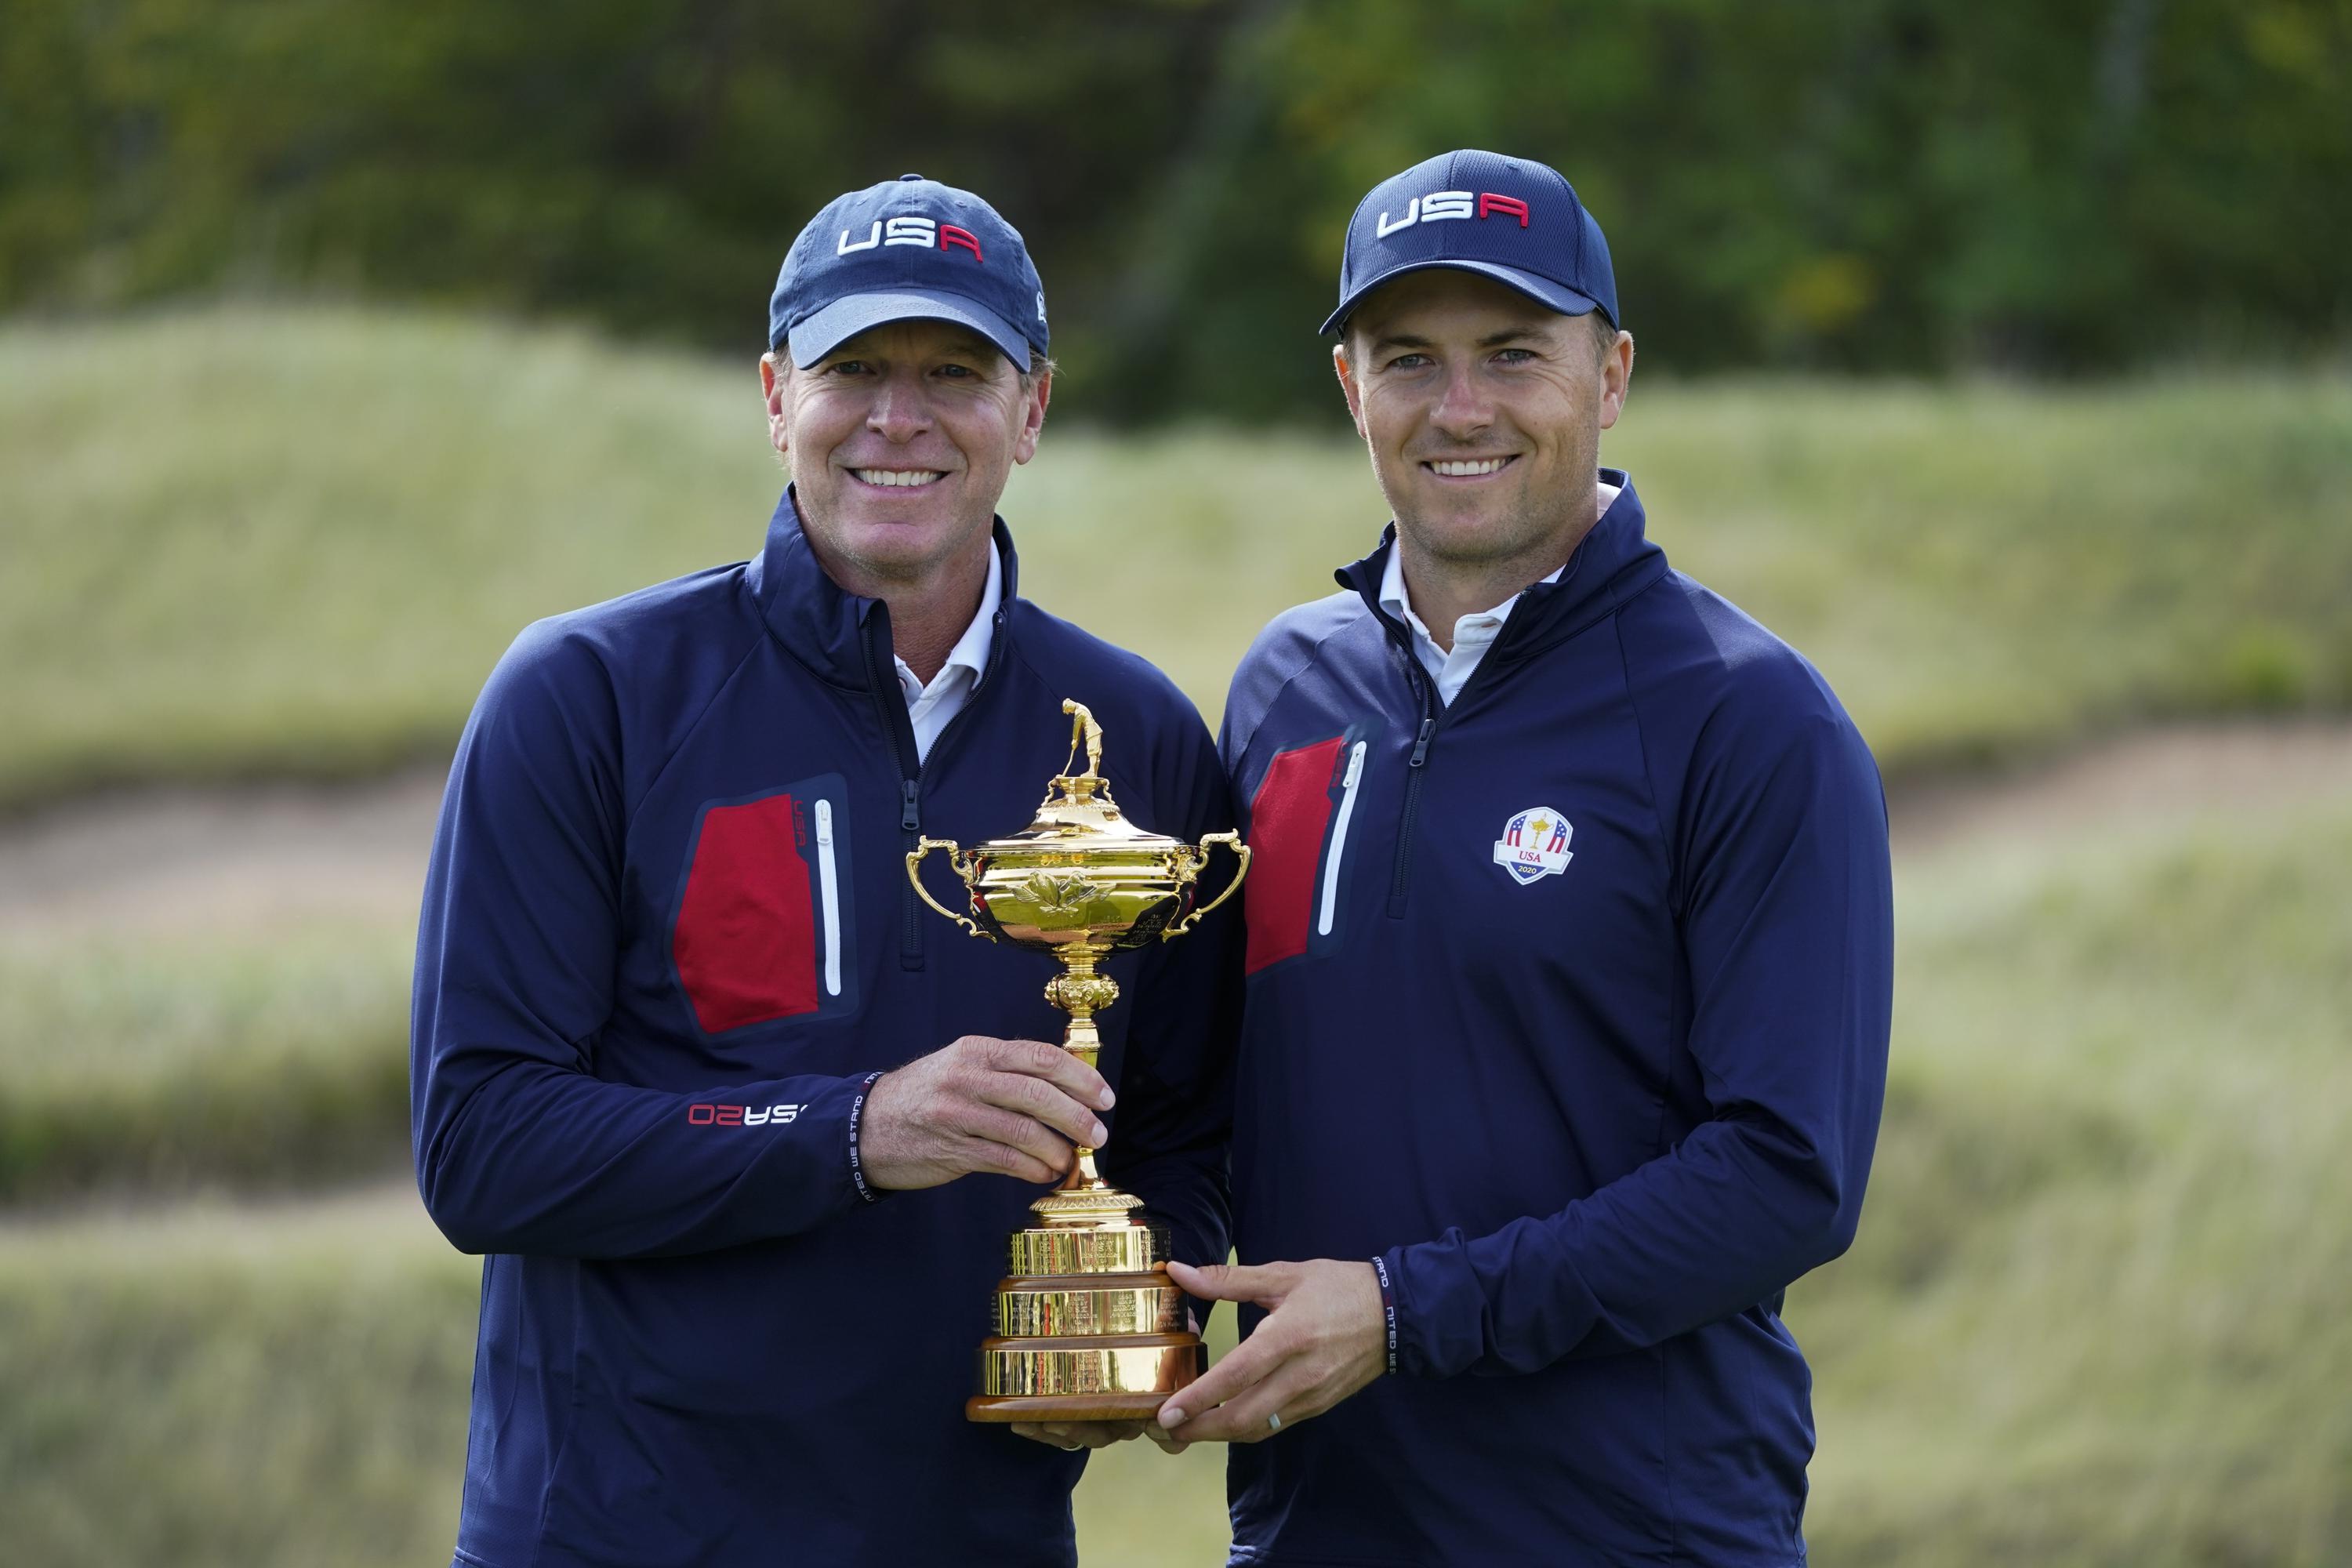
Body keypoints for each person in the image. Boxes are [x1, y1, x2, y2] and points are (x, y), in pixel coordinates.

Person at [409, 173, 1237, 1568]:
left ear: (1031, 410)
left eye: (953, 372)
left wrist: (1140, 1314)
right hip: (619, 1535)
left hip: (977, 1534)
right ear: (777, 393)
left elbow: (1189, 1125)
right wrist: (852, 1132)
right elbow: (483, 1148)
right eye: (854, 368)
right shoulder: (589, 696)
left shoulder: (1131, 735)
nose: (897, 419)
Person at [1156, 149, 1895, 1566]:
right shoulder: (1282, 691)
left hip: (1635, 1529)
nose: (1462, 407)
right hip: (1320, 1527)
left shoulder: (1745, 716)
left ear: (1610, 376)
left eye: (1513, 353)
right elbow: (1222, 1084)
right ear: (1350, 390)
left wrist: (1405, 1313)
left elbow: (1784, 1174)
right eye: (1409, 359)